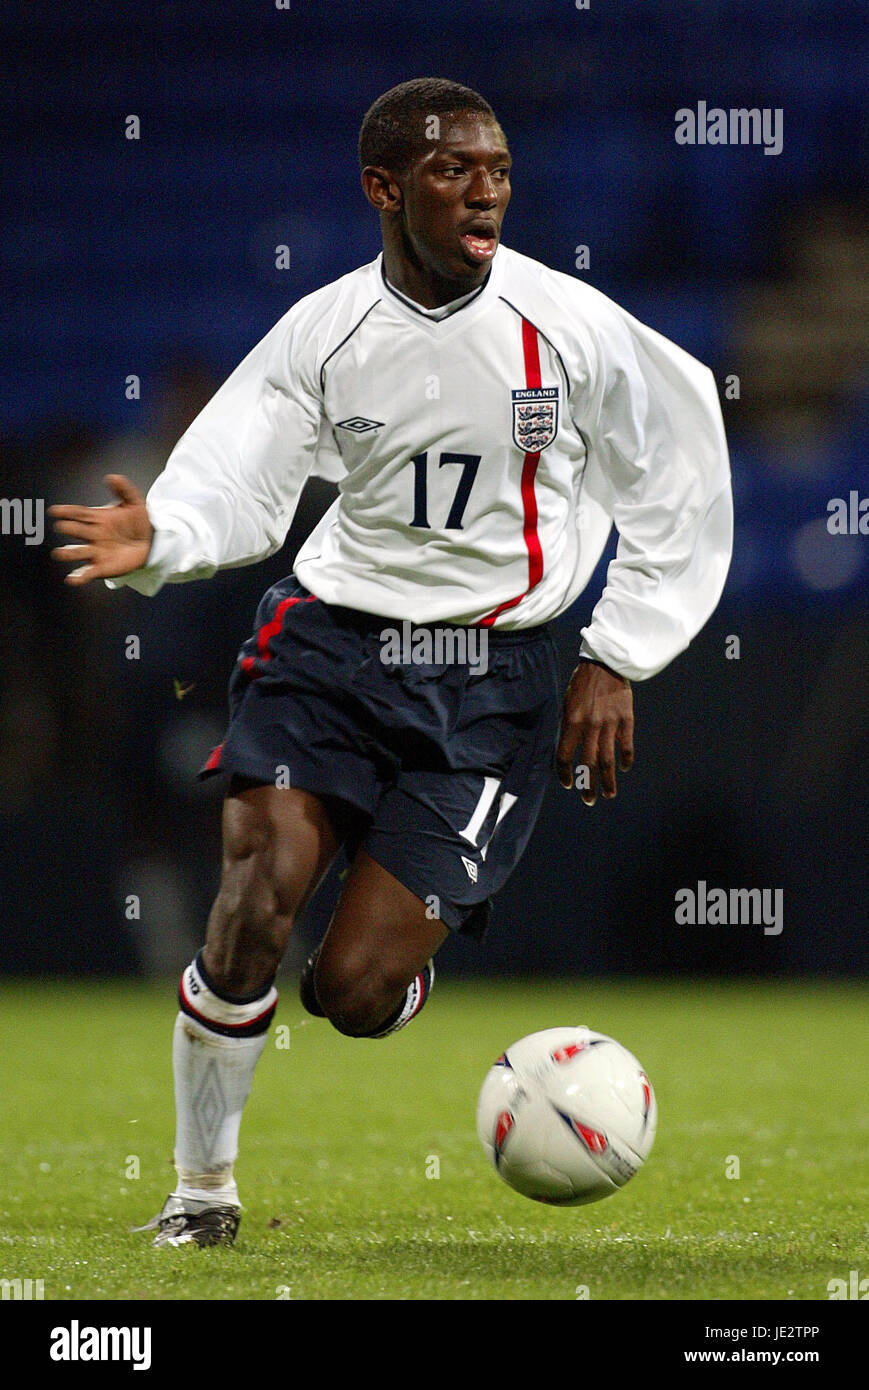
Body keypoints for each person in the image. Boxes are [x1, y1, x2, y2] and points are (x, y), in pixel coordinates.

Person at [50, 78, 732, 1247]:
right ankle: (200, 1195)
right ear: (381, 188)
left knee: (349, 992)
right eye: (453, 170)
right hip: (331, 647)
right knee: (254, 896)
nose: (486, 194)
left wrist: (617, 651)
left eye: (499, 171)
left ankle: (384, 964)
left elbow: (677, 473)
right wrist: (163, 536)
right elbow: (239, 477)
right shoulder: (325, 331)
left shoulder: (566, 326)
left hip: (495, 680)